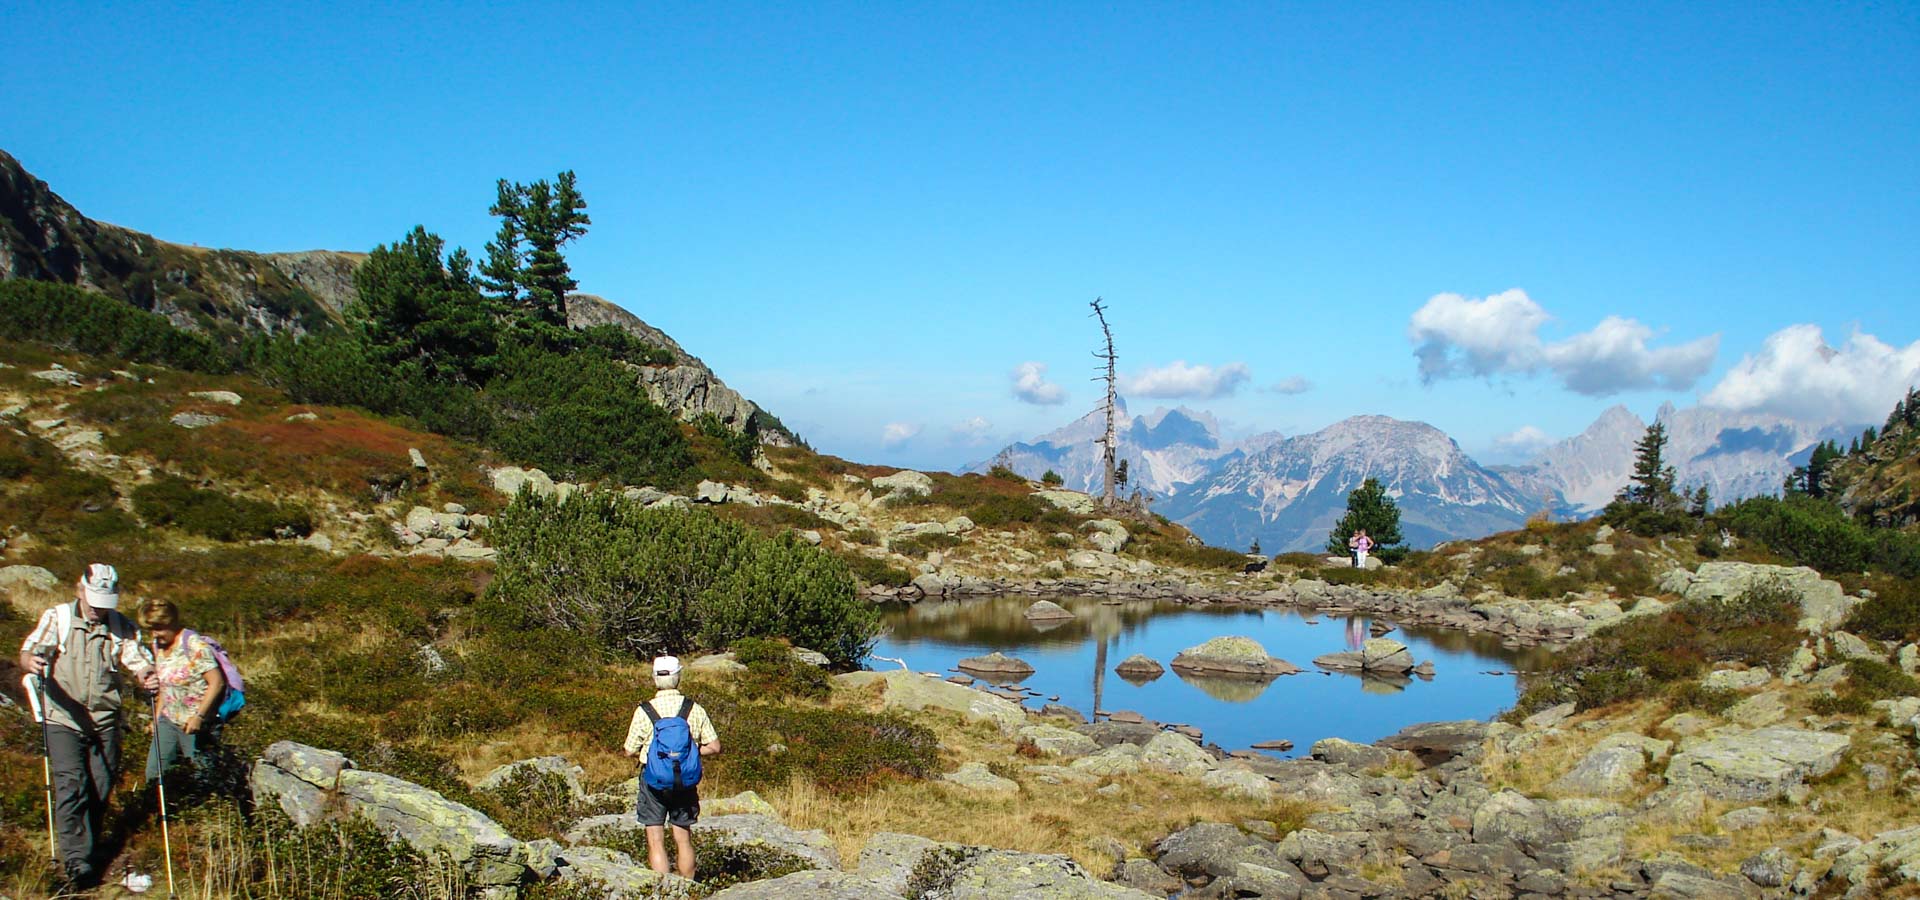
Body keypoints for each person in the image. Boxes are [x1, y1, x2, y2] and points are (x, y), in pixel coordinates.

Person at [18, 564, 157, 886]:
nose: (98, 609)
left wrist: (145, 674)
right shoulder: (58, 618)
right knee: (71, 785)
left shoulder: (122, 626)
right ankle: (75, 861)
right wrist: (33, 662)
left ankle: (89, 849)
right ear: (79, 590)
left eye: (105, 603)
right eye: (94, 600)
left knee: (100, 788)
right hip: (63, 717)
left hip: (105, 720)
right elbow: (28, 651)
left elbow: (135, 658)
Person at [622, 656, 720, 879]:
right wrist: (691, 751)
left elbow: (628, 750)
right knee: (683, 839)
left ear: (655, 678)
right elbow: (714, 747)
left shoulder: (644, 710)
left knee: (655, 839)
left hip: (652, 780)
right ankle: (688, 888)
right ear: (678, 677)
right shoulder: (693, 709)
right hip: (684, 782)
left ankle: (663, 890)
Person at [138, 599, 226, 788]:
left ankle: (206, 813)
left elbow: (216, 682)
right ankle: (159, 812)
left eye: (159, 628)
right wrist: (156, 717)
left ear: (172, 623)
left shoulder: (194, 646)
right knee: (155, 772)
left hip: (195, 724)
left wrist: (199, 716)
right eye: (151, 629)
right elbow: (165, 685)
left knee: (203, 776)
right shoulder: (158, 645)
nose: (155, 634)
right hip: (168, 719)